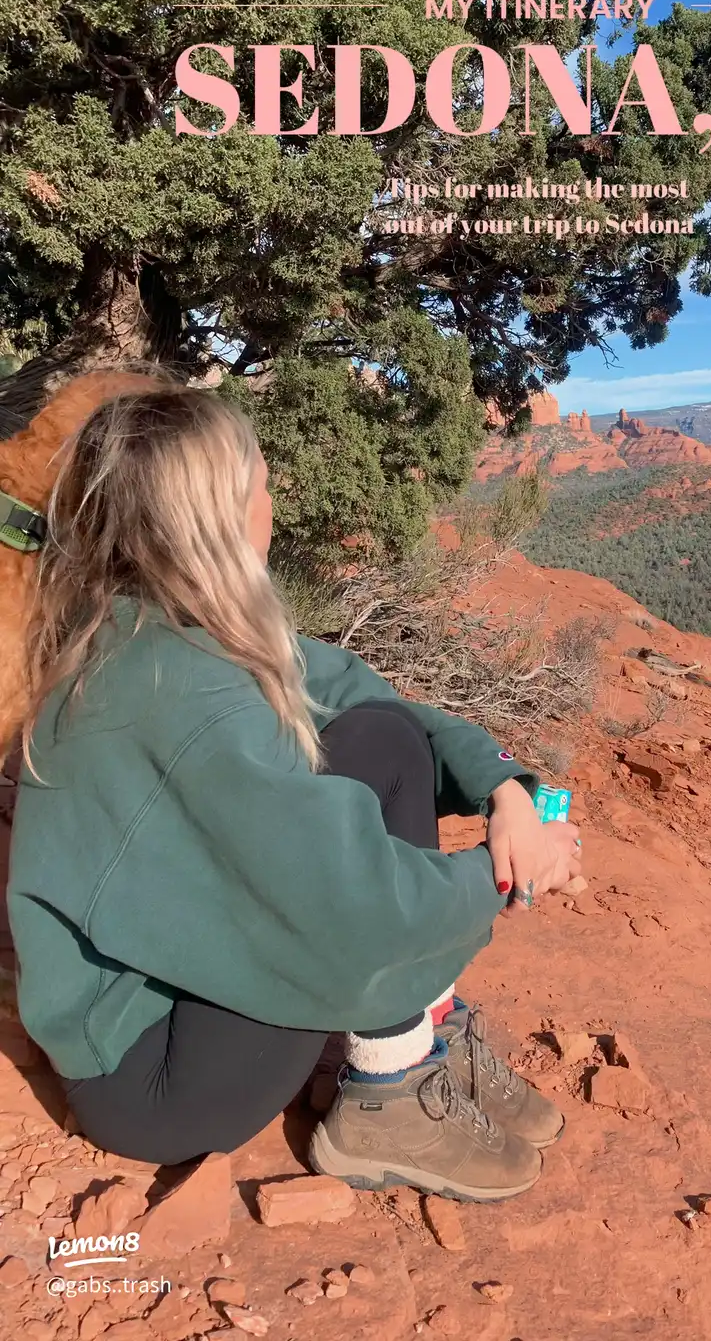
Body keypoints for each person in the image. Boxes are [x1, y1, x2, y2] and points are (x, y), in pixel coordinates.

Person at [6, 381, 582, 1203]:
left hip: (175, 988)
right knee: (337, 914)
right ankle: (387, 1094)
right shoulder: (177, 693)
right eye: (263, 484)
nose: (274, 503)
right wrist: (510, 872)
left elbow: (374, 705)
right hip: (148, 1074)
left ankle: (421, 1032)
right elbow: (350, 908)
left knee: (383, 738)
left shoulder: (169, 620)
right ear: (216, 518)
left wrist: (509, 794)